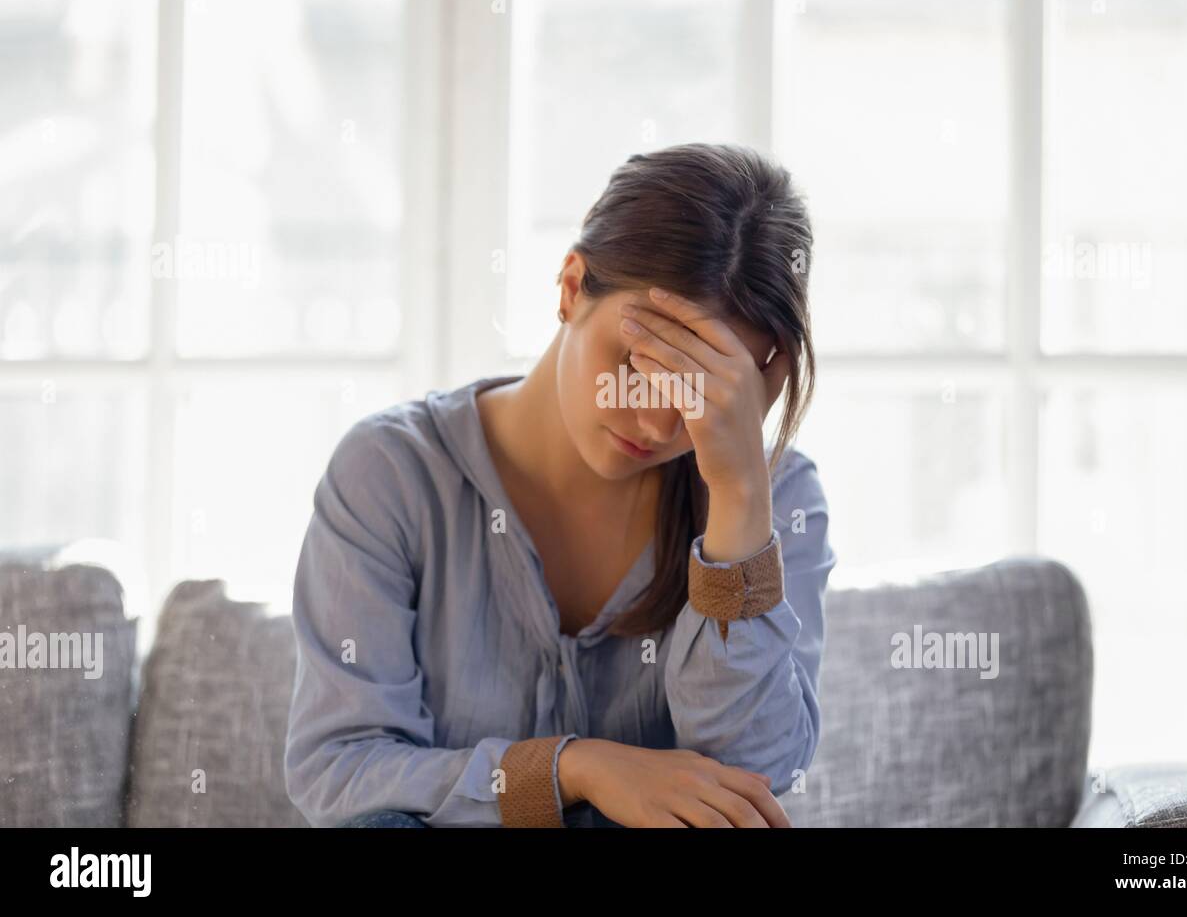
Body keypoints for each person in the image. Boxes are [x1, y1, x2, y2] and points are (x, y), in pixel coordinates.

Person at [284, 142, 836, 828]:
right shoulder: (390, 473)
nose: (657, 419)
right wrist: (575, 768)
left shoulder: (775, 501)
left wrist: (740, 503)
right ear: (571, 288)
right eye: (637, 363)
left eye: (702, 391)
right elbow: (339, 770)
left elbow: (750, 780)